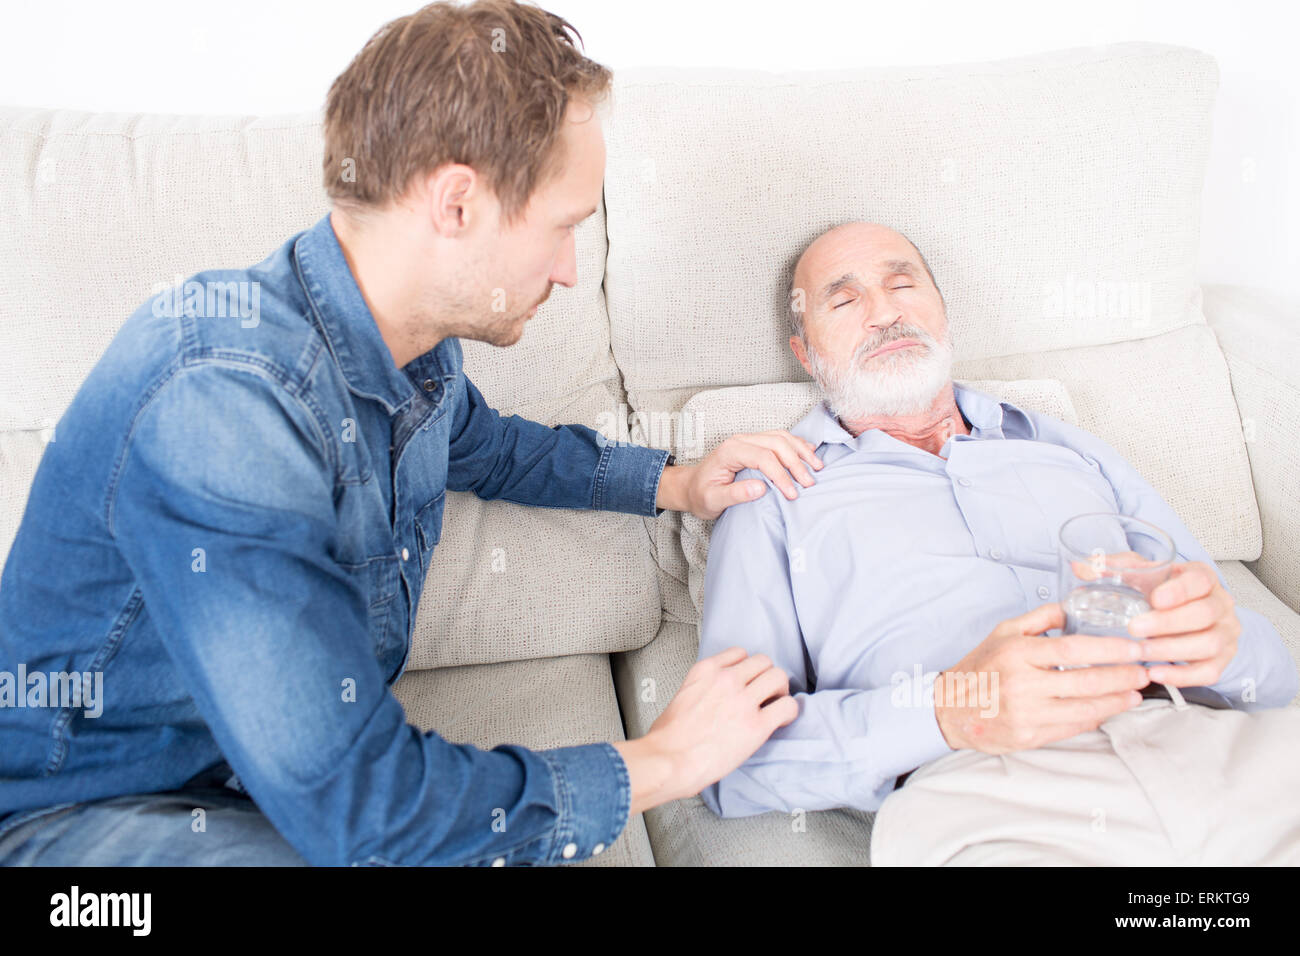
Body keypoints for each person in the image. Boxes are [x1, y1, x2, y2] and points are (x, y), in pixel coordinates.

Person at [0, 0, 816, 867]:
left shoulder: (414, 352)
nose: (574, 271)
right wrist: (663, 761)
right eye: (565, 227)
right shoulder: (221, 406)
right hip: (81, 820)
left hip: (264, 789)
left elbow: (488, 448)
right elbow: (364, 811)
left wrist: (675, 482)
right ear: (457, 203)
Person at [696, 220, 1300, 865]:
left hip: (1212, 748)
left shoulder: (1068, 449)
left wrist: (1225, 649)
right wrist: (947, 709)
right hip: (986, 795)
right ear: (806, 353)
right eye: (844, 301)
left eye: (904, 284)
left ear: (943, 314)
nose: (885, 311)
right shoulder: (772, 493)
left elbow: (1265, 664)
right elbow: (725, 762)